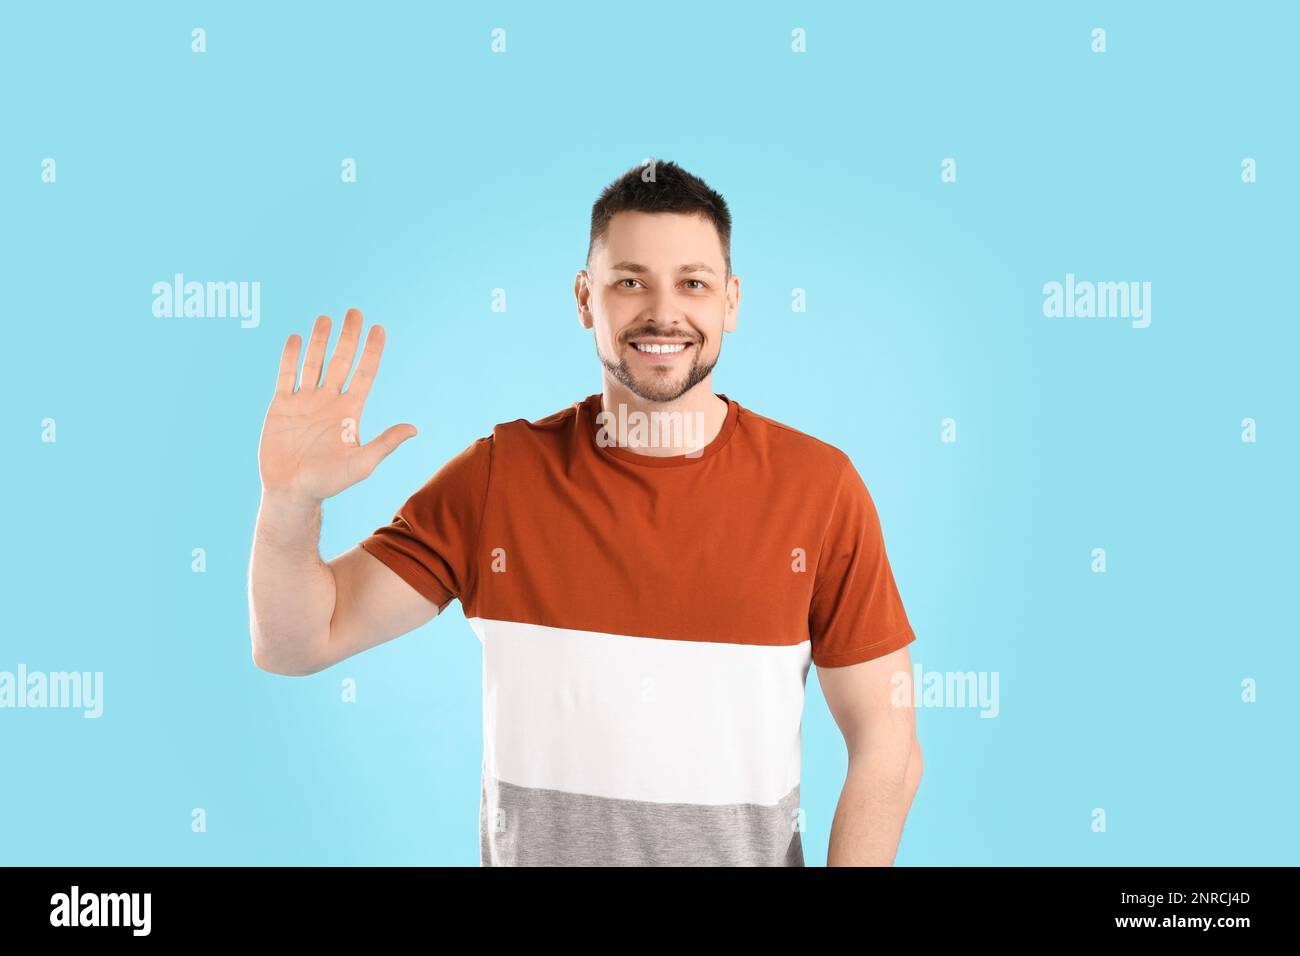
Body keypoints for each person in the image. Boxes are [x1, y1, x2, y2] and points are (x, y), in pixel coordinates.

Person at [248, 159, 922, 866]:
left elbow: (888, 746)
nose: (664, 312)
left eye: (693, 282)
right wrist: (289, 503)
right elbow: (297, 642)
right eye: (630, 281)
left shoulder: (820, 489)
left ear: (731, 301)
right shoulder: (498, 478)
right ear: (583, 298)